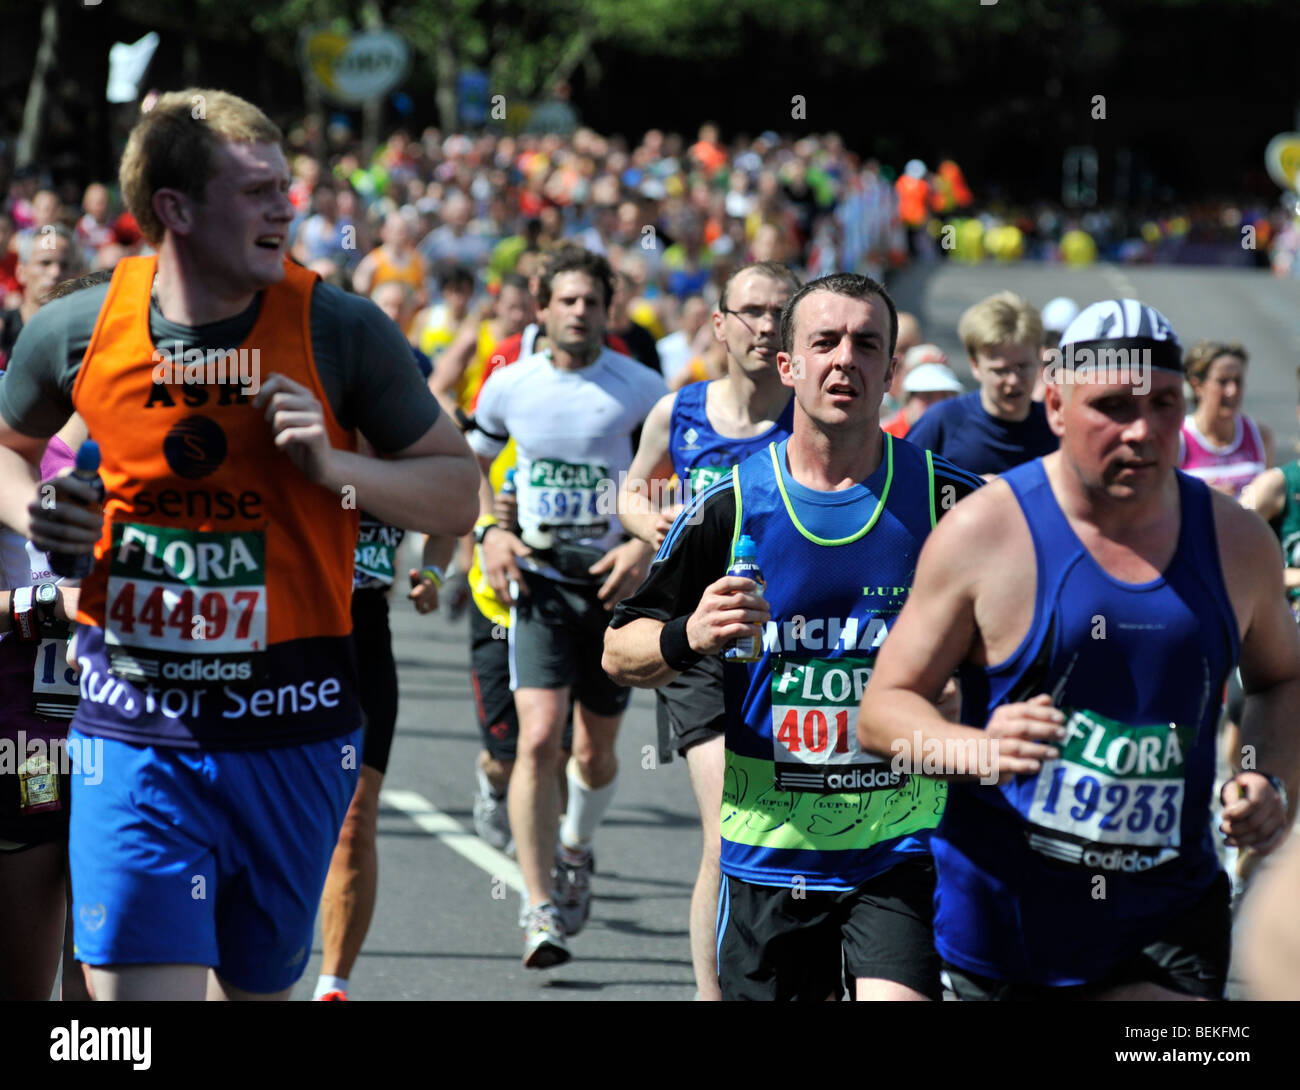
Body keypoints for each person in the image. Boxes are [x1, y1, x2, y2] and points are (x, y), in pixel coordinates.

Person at [0, 88, 479, 1001]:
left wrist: (334, 465)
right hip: (133, 725)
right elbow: (7, 448)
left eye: (284, 187)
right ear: (174, 209)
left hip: (292, 727)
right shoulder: (80, 326)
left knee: (253, 991)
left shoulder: (339, 329)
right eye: (255, 190)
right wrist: (38, 513)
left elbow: (457, 490)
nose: (284, 208)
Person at [858, 298, 1300, 1000]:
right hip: (1007, 926)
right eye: (1114, 406)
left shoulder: (1238, 541)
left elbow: (1283, 679)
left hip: (1168, 918)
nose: (1144, 430)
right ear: (1056, 407)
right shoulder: (983, 534)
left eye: (1163, 403)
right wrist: (977, 750)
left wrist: (1272, 783)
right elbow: (882, 711)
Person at [604, 272, 982, 1001]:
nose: (845, 359)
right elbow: (620, 649)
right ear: (789, 365)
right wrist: (692, 632)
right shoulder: (732, 500)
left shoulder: (952, 501)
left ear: (891, 370)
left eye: (867, 344)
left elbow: (1033, 631)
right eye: (825, 342)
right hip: (771, 856)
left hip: (898, 845)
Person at [468, 245, 665, 968]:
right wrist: (490, 530)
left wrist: (642, 550)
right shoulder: (509, 384)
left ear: (608, 308)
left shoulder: (642, 388)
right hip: (540, 584)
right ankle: (538, 904)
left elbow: (670, 484)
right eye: (568, 300)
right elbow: (467, 458)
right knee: (538, 738)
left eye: (592, 301)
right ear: (542, 306)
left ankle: (577, 845)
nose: (580, 312)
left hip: (615, 590)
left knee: (594, 749)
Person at [615, 259, 799, 1000]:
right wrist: (649, 520)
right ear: (718, 323)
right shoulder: (679, 411)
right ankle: (708, 993)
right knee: (728, 831)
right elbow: (632, 484)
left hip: (793, 649)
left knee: (793, 831)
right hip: (697, 642)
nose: (764, 326)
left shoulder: (815, 416)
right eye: (750, 311)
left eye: (780, 313)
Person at [905, 291, 1057, 477]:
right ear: (975, 366)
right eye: (1000, 371)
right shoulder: (942, 423)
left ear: (1039, 359)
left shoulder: (1056, 427)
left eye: (1023, 367)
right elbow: (899, 492)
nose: (1013, 380)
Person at [1179, 339, 1272, 499]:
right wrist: (1201, 495)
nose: (1232, 391)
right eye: (1222, 381)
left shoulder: (1260, 436)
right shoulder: (1179, 439)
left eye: (1238, 381)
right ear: (1197, 386)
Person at [1, 226, 81, 370]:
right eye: (45, 263)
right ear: (21, 271)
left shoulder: (84, 338)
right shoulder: (3, 329)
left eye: (64, 265)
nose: (55, 273)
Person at [880, 345, 958, 438]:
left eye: (945, 397)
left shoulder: (960, 438)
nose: (937, 405)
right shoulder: (883, 435)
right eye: (928, 396)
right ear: (908, 399)